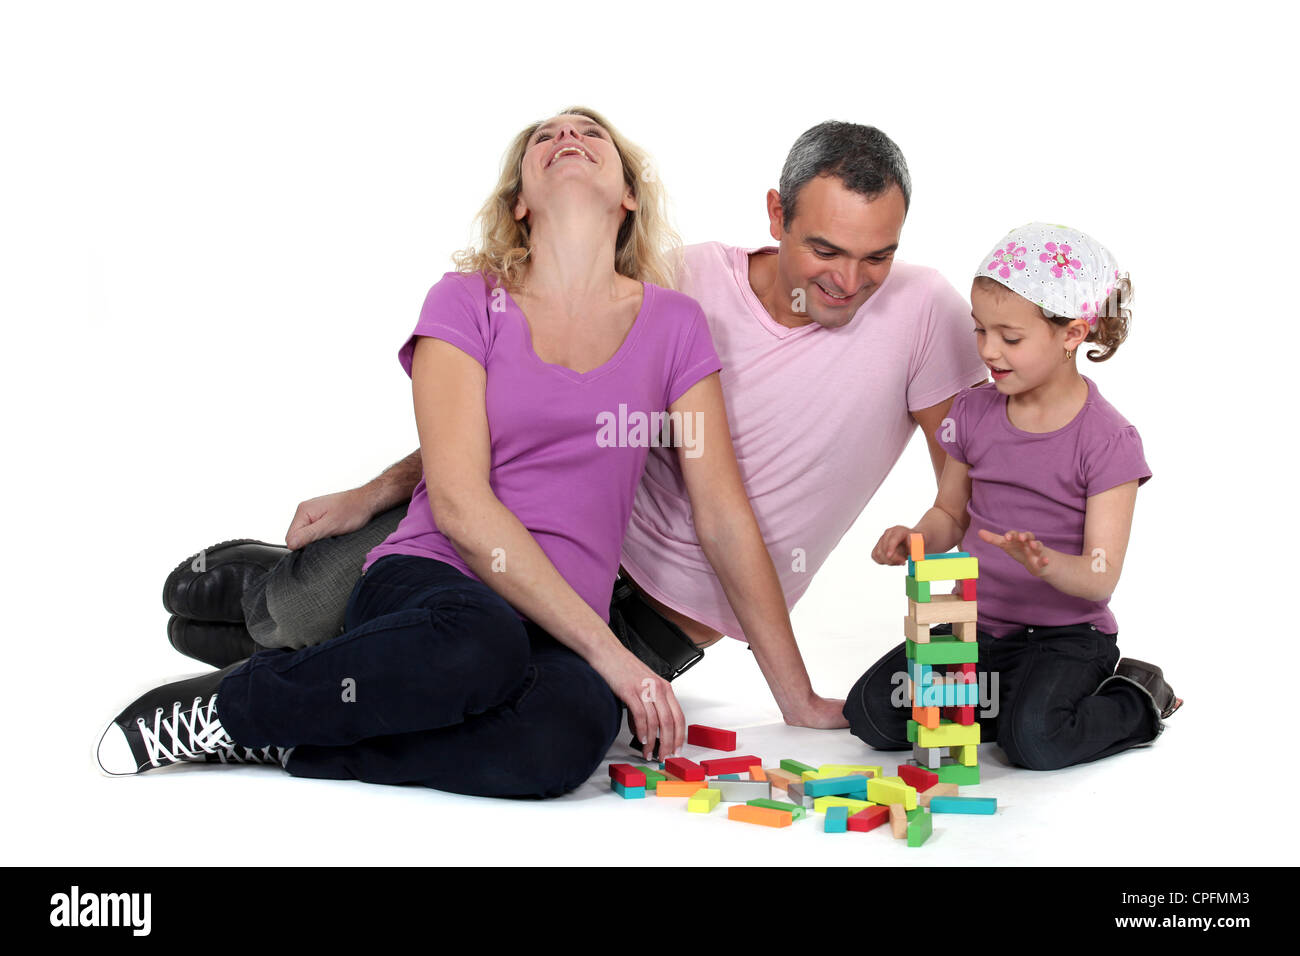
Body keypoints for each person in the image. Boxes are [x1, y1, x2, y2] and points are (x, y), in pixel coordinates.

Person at [162, 121, 990, 731]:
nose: (849, 280)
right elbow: (538, 411)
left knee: (445, 691)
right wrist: (381, 487)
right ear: (775, 214)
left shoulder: (923, 313)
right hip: (520, 534)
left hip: (650, 618)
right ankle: (266, 587)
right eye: (824, 250)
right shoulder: (689, 281)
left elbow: (967, 453)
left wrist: (803, 686)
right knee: (286, 620)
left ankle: (275, 688)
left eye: (876, 256)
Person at [97, 107, 825, 797]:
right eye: (547, 137)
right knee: (477, 645)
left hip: (562, 617)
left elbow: (723, 516)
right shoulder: (466, 300)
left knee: (565, 740)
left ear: (629, 196)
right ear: (519, 204)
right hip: (439, 579)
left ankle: (291, 737)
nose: (568, 134)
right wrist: (615, 657)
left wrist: (796, 696)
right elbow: (459, 501)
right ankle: (231, 708)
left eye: (590, 133)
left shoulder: (675, 325)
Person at [842, 222, 1182, 771]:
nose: (989, 351)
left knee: (1035, 745)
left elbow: (1099, 576)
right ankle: (1008, 706)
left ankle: (1139, 698)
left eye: (1010, 337)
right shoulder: (973, 413)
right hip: (977, 629)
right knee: (873, 716)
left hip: (1068, 639)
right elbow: (951, 512)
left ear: (1072, 334)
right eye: (980, 331)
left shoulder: (1108, 440)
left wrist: (1043, 562)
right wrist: (917, 537)